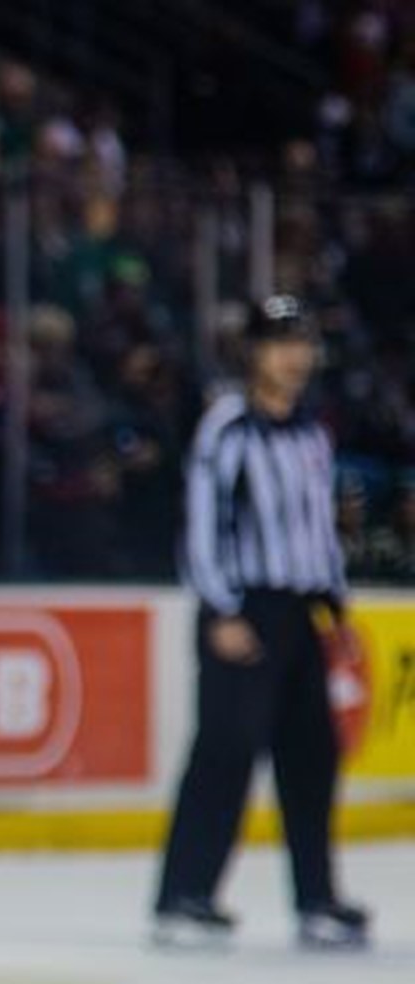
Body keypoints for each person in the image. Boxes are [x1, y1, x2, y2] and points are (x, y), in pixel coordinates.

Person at [153, 295, 368, 950]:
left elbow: (317, 528)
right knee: (225, 751)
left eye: (301, 341)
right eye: (280, 341)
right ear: (252, 352)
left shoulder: (311, 432)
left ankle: (317, 899)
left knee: (312, 756)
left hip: (301, 612)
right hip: (244, 609)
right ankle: (184, 896)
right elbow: (201, 526)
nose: (294, 354)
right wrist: (220, 608)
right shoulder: (227, 428)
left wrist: (335, 607)